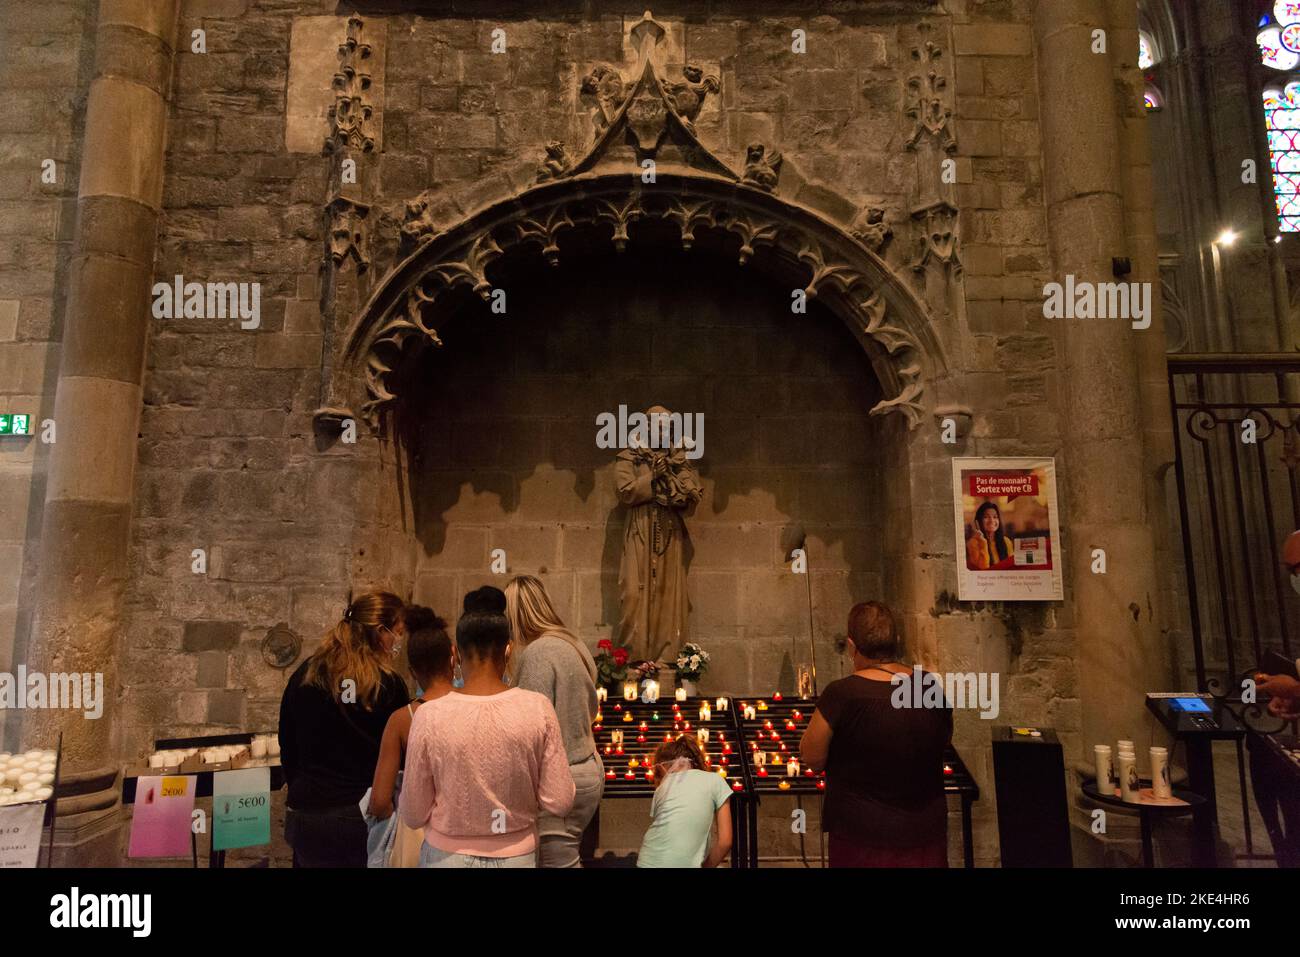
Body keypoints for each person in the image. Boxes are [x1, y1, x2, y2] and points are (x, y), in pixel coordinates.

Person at [400, 608, 575, 867]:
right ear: (508, 650)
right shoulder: (537, 707)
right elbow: (560, 801)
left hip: (447, 857)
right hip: (516, 855)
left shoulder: (429, 715)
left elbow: (413, 814)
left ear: (455, 655)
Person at [800, 601, 952, 867]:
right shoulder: (928, 686)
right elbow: (944, 740)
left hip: (862, 833)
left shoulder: (842, 694)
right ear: (897, 640)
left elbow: (811, 757)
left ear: (851, 646)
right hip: (924, 829)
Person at [279, 590, 410, 867]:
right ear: (379, 632)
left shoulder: (305, 674)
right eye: (396, 632)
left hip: (305, 813)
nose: (397, 641)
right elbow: (401, 754)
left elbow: (287, 744)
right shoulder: (387, 685)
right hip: (358, 813)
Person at [504, 575, 603, 867]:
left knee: (557, 862)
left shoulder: (538, 653)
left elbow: (530, 725)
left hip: (563, 773)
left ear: (517, 614)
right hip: (586, 765)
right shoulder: (571, 641)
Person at [366, 605, 454, 867]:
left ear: (413, 671)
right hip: (463, 837)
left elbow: (380, 800)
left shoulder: (402, 719)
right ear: (453, 658)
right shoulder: (475, 707)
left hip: (417, 840)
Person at [636, 735, 732, 868]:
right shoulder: (715, 780)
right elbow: (725, 841)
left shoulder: (661, 789)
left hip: (647, 861)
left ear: (664, 767)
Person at [966, 501, 1013, 570]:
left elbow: (1011, 568)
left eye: (995, 517)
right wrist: (983, 543)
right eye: (986, 517)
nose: (991, 520)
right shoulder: (973, 543)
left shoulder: (1006, 541)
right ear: (978, 522)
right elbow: (984, 569)